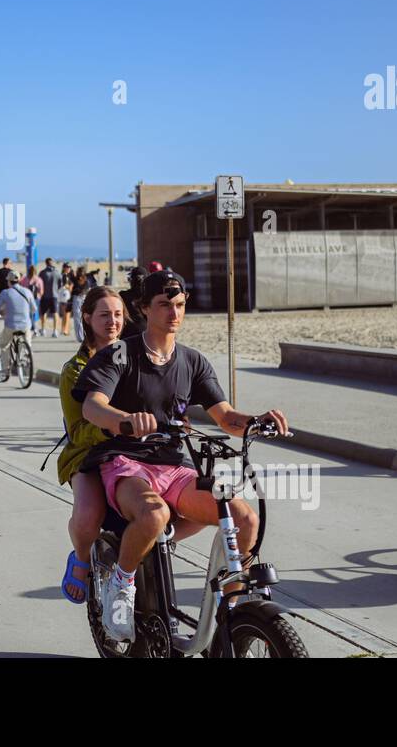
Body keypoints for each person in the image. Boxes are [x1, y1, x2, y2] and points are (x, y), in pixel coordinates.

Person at [73, 269, 290, 643]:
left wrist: (256, 421)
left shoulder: (192, 361)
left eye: (179, 305)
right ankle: (119, 589)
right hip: (127, 462)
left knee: (244, 518)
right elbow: (92, 407)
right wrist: (124, 421)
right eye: (164, 305)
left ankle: (235, 617)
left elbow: (225, 417)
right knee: (154, 513)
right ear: (143, 308)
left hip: (175, 465)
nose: (174, 314)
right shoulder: (120, 354)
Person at [57, 286, 126, 603]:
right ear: (87, 318)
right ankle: (82, 558)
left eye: (118, 314)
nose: (113, 322)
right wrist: (114, 428)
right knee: (88, 516)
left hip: (135, 452)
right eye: (104, 315)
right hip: (89, 454)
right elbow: (78, 431)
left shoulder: (136, 357)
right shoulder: (74, 371)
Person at [0, 270, 38, 381]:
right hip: (26, 325)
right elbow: (34, 309)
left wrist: (1, 312)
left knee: (4, 345)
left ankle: (6, 370)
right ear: (19, 280)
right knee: (27, 343)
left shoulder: (5, 293)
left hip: (11, 325)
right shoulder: (27, 292)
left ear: (8, 281)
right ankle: (25, 358)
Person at [119, 267, 148, 339]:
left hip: (127, 336)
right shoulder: (152, 296)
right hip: (148, 336)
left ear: (131, 280)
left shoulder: (123, 296)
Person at [38, 257, 61, 337]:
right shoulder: (57, 272)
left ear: (46, 263)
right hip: (54, 295)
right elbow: (60, 284)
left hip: (45, 296)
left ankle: (43, 329)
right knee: (55, 313)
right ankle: (55, 330)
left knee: (44, 313)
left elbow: (39, 284)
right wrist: (56, 290)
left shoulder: (42, 273)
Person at [70, 267, 91, 343]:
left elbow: (86, 290)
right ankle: (80, 337)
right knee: (78, 319)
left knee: (81, 318)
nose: (80, 275)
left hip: (82, 298)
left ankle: (82, 336)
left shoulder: (86, 281)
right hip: (78, 298)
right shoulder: (76, 280)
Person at [22, 265, 44, 336]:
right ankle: (34, 328)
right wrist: (40, 296)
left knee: (28, 314)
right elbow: (41, 291)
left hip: (27, 298)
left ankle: (31, 327)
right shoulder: (38, 279)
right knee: (34, 313)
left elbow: (22, 288)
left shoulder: (25, 279)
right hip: (36, 298)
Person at [58, 262, 73, 336]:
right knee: (67, 314)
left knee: (65, 314)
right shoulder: (65, 276)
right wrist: (71, 287)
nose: (69, 268)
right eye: (68, 267)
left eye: (70, 267)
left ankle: (63, 329)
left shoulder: (63, 275)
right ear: (64, 268)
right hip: (66, 297)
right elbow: (66, 285)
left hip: (63, 297)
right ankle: (65, 330)